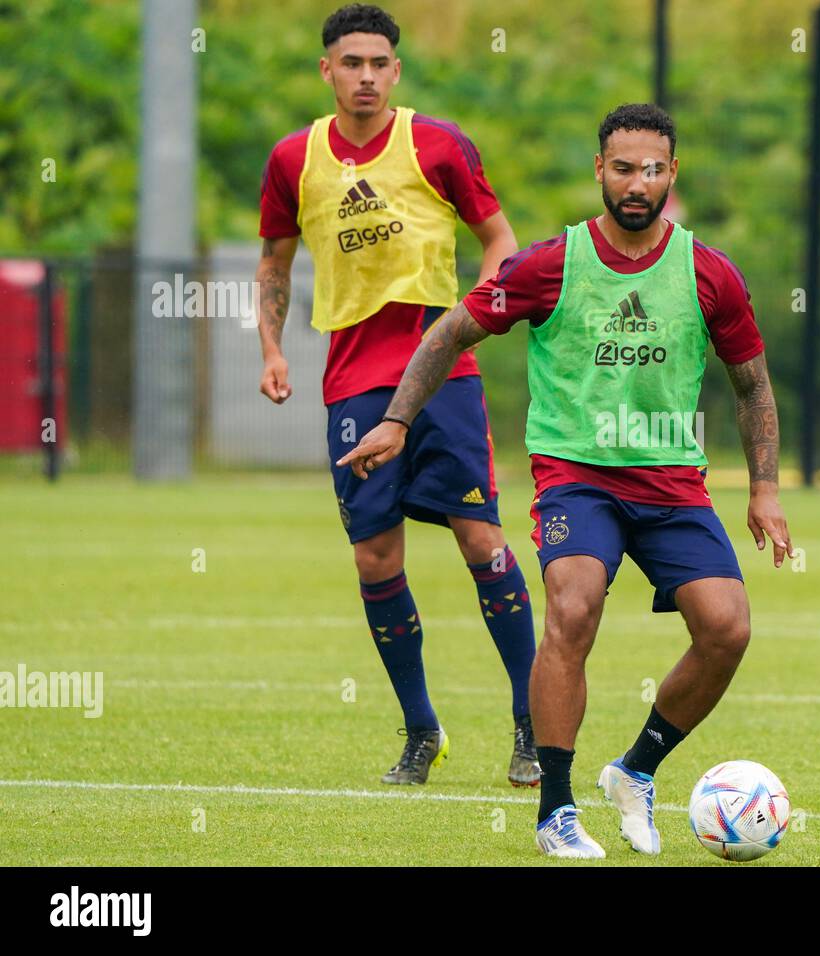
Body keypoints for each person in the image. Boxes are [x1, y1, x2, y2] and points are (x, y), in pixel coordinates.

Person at [339, 102, 792, 857]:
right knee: (573, 608)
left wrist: (766, 488)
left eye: (653, 169)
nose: (637, 182)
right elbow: (450, 330)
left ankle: (635, 771)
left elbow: (752, 385)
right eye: (623, 168)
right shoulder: (552, 264)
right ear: (600, 171)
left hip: (671, 480)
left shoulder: (708, 271)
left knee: (727, 628)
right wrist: (395, 421)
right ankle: (556, 808)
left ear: (672, 174)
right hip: (577, 478)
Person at [255, 3, 540, 788]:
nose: (366, 77)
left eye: (379, 63)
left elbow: (500, 242)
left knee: (481, 540)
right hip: (353, 379)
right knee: (375, 557)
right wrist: (272, 347)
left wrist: (474, 316)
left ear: (397, 70)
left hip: (443, 371)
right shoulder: (292, 160)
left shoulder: (437, 144)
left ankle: (530, 719)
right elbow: (274, 264)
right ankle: (422, 729)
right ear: (327, 70)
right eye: (352, 63)